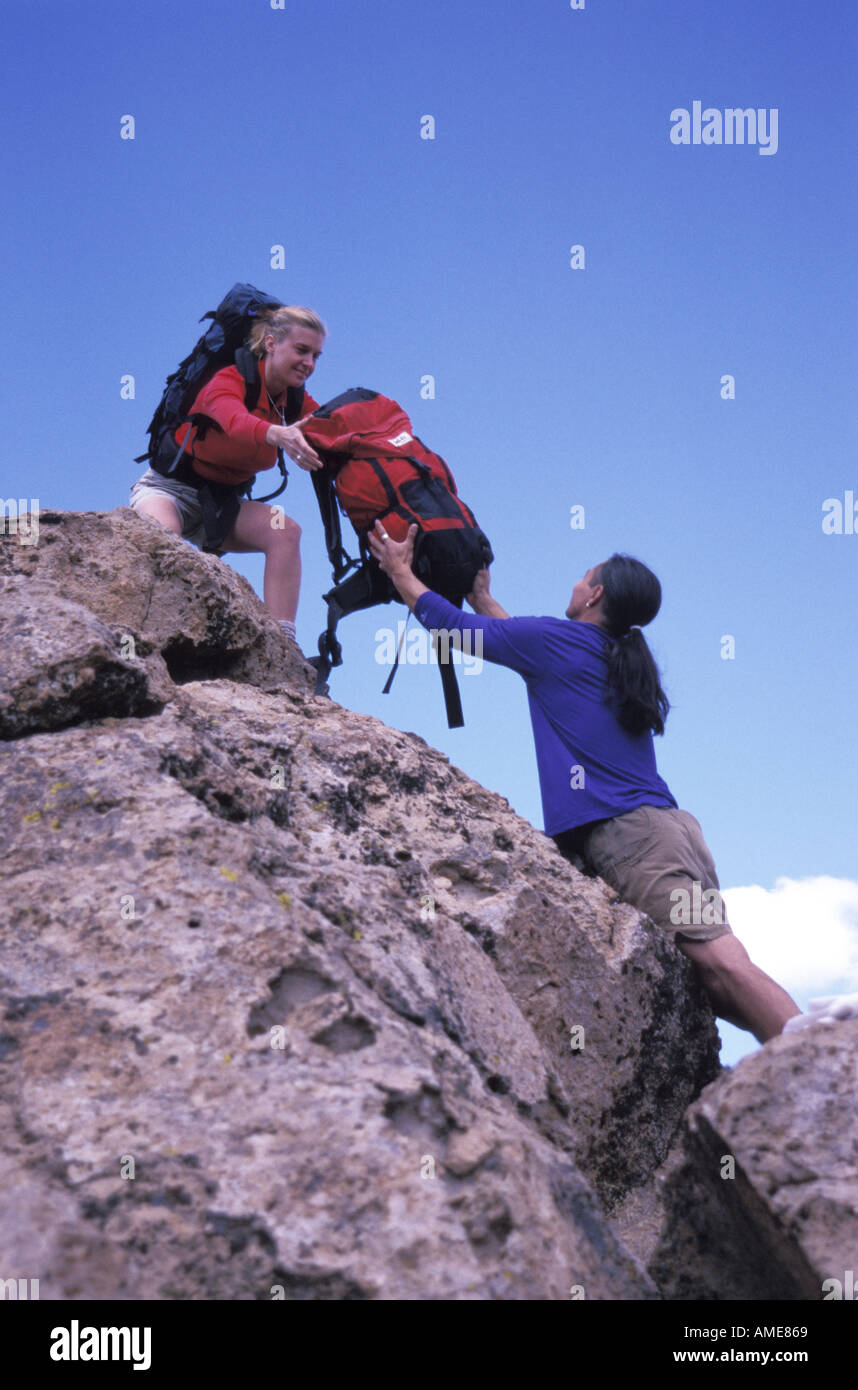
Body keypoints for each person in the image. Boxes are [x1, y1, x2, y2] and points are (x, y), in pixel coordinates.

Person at [368, 523, 801, 1044]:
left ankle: (822, 1056)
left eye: (584, 576)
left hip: (633, 837)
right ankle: (798, 1055)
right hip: (666, 832)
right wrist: (485, 597)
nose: (576, 582)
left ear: (594, 594)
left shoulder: (558, 642)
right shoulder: (606, 654)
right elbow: (521, 648)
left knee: (723, 964)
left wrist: (400, 572)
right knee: (716, 978)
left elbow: (453, 627)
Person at [129, 306, 327, 644]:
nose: (309, 362)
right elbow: (231, 420)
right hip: (169, 492)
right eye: (301, 350)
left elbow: (334, 428)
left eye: (316, 355)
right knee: (163, 543)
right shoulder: (227, 379)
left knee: (285, 532)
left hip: (222, 507)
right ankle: (144, 637)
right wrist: (276, 434)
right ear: (270, 343)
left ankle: (283, 646)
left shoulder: (294, 401)